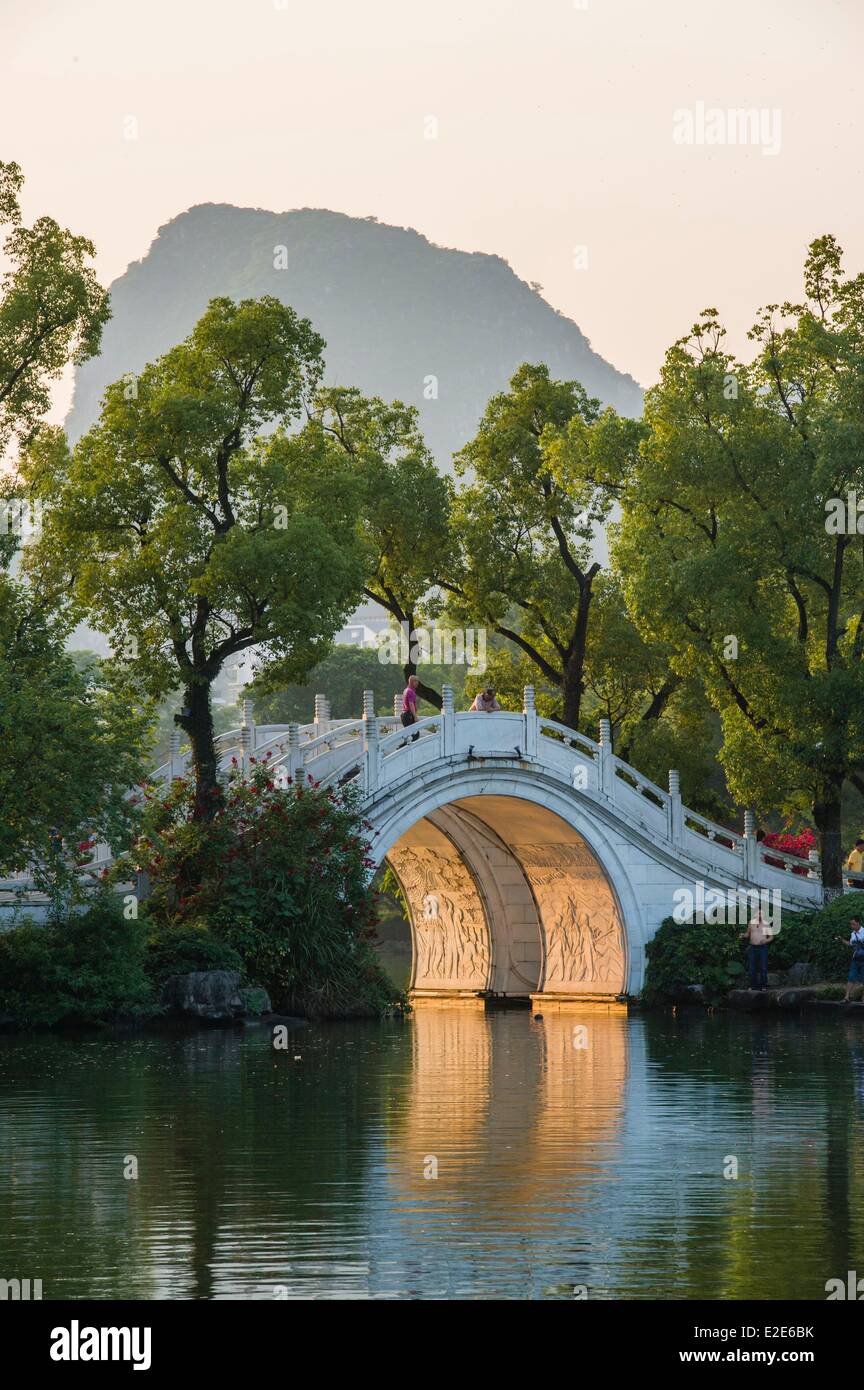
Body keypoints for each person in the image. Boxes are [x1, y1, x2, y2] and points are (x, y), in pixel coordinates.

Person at [741, 908, 772, 991]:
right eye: (758, 913)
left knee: (763, 967)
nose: (760, 915)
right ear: (755, 914)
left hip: (763, 948)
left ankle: (763, 985)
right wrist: (743, 935)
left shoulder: (766, 924)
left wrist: (766, 940)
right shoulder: (751, 923)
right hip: (753, 947)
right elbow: (748, 934)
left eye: (761, 914)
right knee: (752, 967)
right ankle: (753, 985)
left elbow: (771, 937)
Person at [837, 915, 864, 1002]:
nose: (852, 926)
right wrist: (842, 939)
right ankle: (846, 997)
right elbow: (850, 944)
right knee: (851, 978)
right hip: (855, 959)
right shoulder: (853, 934)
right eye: (851, 924)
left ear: (858, 923)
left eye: (853, 924)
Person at [400, 674, 420, 742]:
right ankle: (401, 748)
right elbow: (411, 705)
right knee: (415, 735)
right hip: (408, 715)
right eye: (416, 681)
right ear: (411, 682)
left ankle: (402, 747)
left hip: (405, 715)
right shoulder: (410, 691)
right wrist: (415, 716)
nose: (417, 683)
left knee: (410, 735)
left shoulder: (406, 690)